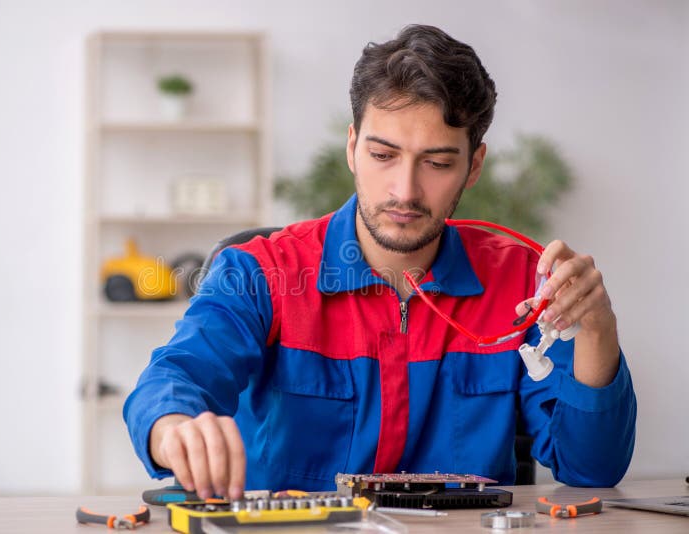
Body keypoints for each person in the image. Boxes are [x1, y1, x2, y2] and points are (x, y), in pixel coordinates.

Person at [123, 24, 636, 500]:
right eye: (383, 155)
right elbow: (174, 378)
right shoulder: (259, 272)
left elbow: (591, 469)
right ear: (352, 148)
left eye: (437, 163)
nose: (405, 190)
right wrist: (174, 429)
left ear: (473, 166)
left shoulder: (525, 280)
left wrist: (597, 328)